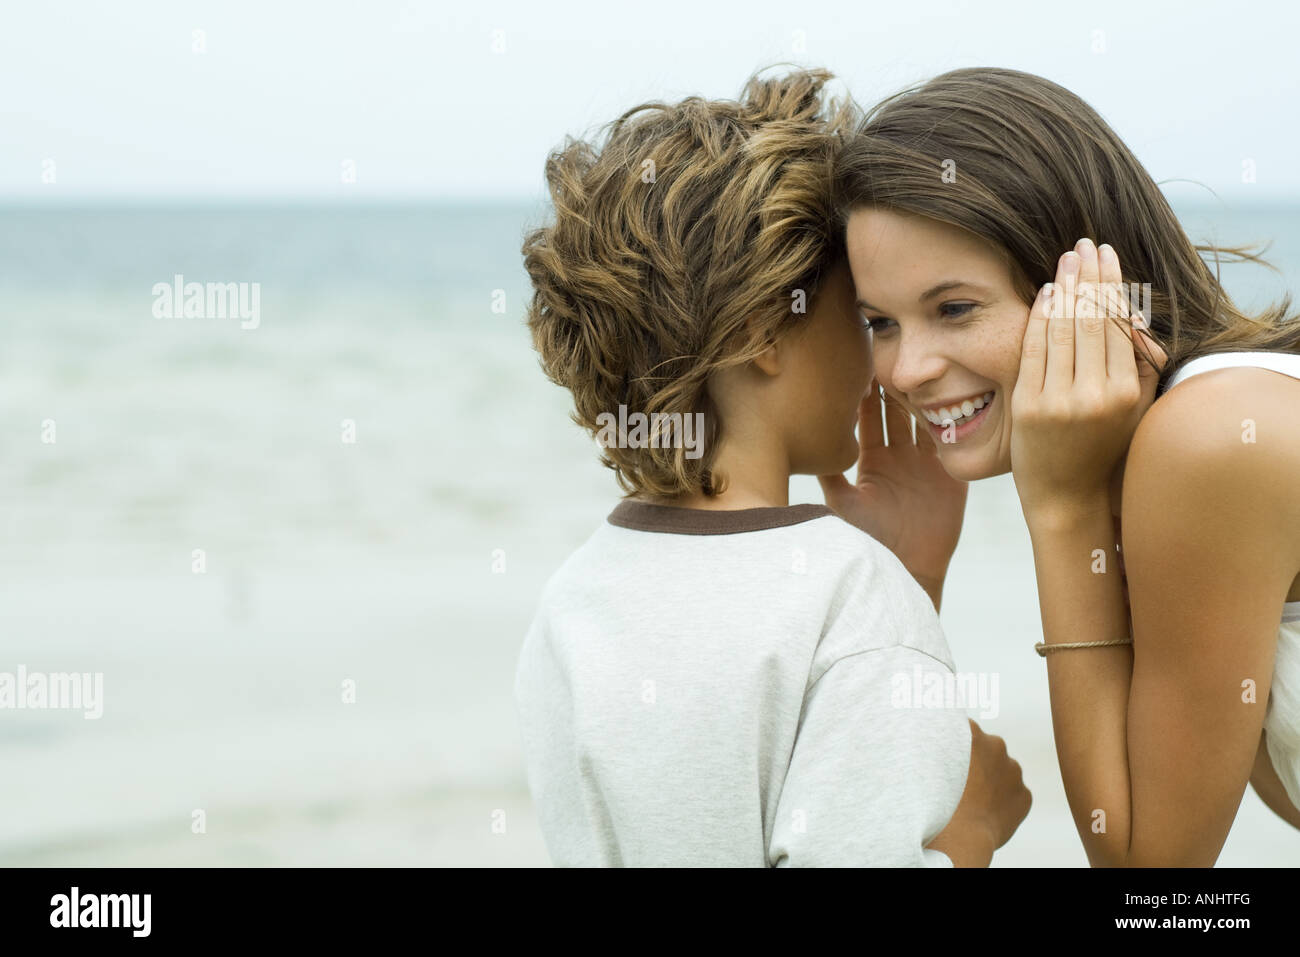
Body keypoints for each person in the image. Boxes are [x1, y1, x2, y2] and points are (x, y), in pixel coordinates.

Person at [513, 68, 1030, 866]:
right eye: (863, 315)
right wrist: (971, 833)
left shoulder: (571, 602)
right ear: (763, 330)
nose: (888, 364)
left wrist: (912, 571)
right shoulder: (852, 598)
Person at [830, 66, 1300, 865]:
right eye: (879, 322)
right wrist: (905, 581)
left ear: (1084, 288)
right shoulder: (1200, 427)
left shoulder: (1213, 438)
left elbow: (1151, 883)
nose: (906, 370)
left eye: (954, 309)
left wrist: (1061, 505)